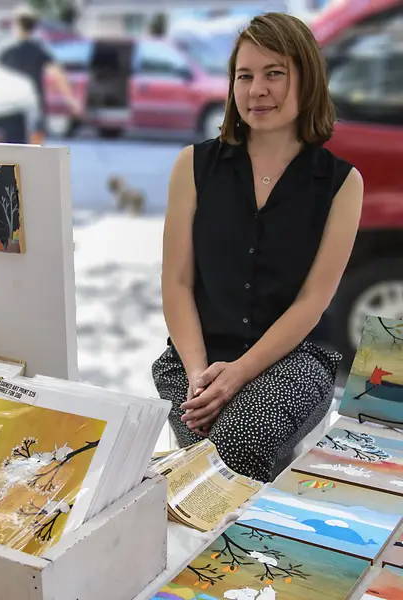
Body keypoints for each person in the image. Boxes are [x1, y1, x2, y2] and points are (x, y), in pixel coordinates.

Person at [151, 12, 364, 483]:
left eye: (274, 74)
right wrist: (199, 375)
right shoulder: (194, 165)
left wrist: (240, 372)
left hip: (293, 363)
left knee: (234, 448)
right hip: (195, 359)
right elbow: (177, 281)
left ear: (307, 81)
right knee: (209, 455)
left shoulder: (341, 184)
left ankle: (245, 550)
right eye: (244, 76)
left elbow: (313, 301)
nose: (256, 90)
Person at [0, 5, 82, 145]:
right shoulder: (40, 50)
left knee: (11, 149)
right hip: (35, 105)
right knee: (35, 148)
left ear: (17, 25)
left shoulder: (7, 53)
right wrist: (71, 100)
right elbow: (58, 76)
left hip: (11, 107)